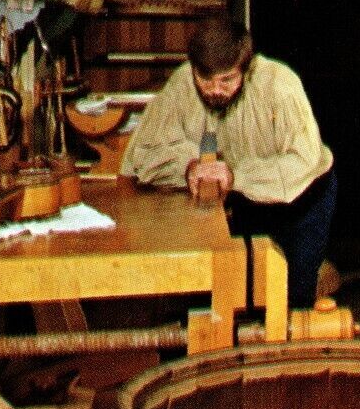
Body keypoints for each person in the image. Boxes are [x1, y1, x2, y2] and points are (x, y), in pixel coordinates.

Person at [121, 19, 336, 309]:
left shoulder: (279, 83)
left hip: (303, 196)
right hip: (242, 198)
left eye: (226, 80)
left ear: (246, 69)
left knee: (290, 298)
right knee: (233, 292)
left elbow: (302, 161)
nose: (215, 90)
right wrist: (189, 167)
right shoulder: (182, 83)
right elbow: (144, 154)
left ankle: (313, 279)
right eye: (205, 79)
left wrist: (237, 175)